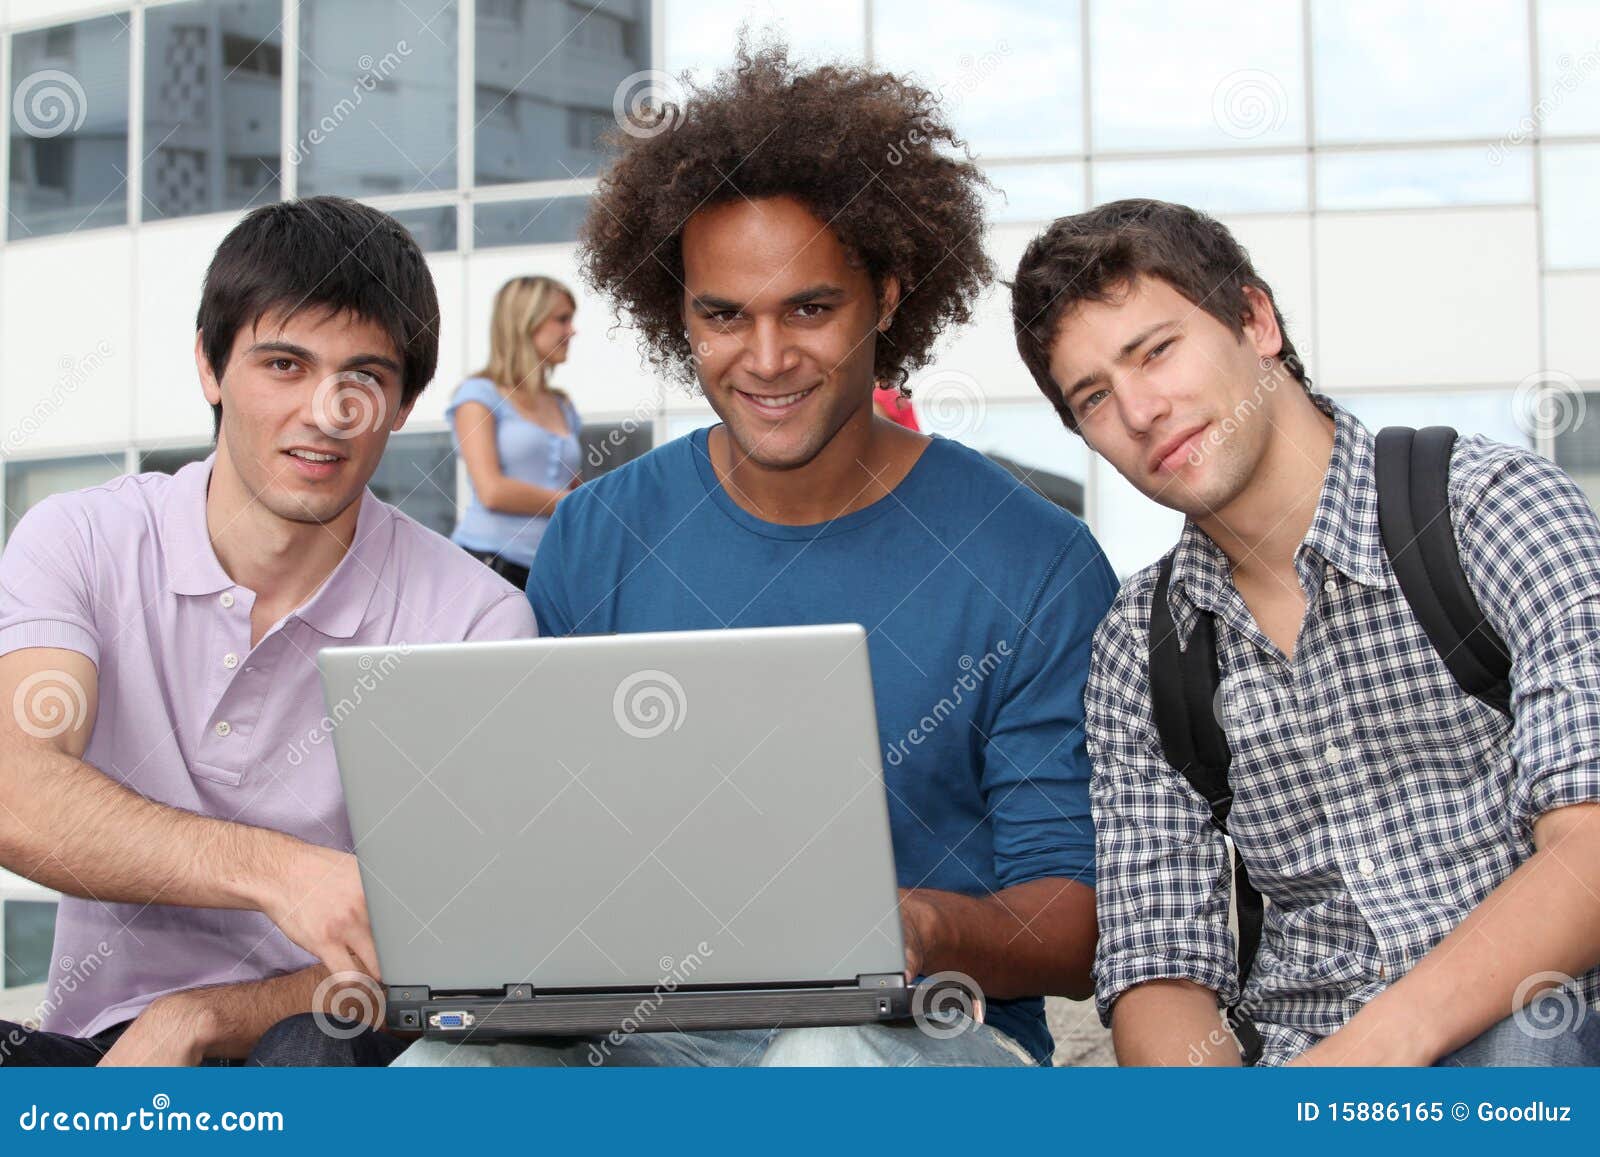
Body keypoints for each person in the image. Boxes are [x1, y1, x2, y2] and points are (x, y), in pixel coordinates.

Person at [393, 41, 1118, 1070]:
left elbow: (1074, 927)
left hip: (923, 1035)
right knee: (443, 1069)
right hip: (646, 1035)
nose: (767, 359)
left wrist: (921, 928)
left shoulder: (1034, 558)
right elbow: (540, 837)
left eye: (810, 308)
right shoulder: (596, 533)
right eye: (723, 315)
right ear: (676, 313)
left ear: (888, 295)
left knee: (825, 1054)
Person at [1010, 197, 1600, 1066]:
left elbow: (1589, 847)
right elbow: (1160, 967)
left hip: (1542, 1034)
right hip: (1297, 1072)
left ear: (1256, 321)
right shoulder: (1140, 645)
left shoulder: (1490, 510)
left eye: (1156, 350)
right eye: (1094, 396)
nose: (1138, 411)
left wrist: (1371, 1054)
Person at [0, 196, 537, 1067]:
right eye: (284, 364)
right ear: (210, 368)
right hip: (95, 1051)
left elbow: (454, 939)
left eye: (365, 375)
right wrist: (283, 872)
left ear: (403, 403)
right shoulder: (83, 538)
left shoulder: (475, 619)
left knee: (306, 1053)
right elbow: (14, 789)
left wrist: (204, 1014)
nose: (327, 411)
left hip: (319, 1037)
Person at [450, 276, 584, 590]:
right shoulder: (478, 395)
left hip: (550, 571)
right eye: (562, 319)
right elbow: (492, 491)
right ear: (526, 322)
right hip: (488, 564)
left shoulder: (563, 406)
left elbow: (575, 487)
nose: (572, 331)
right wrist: (576, 502)